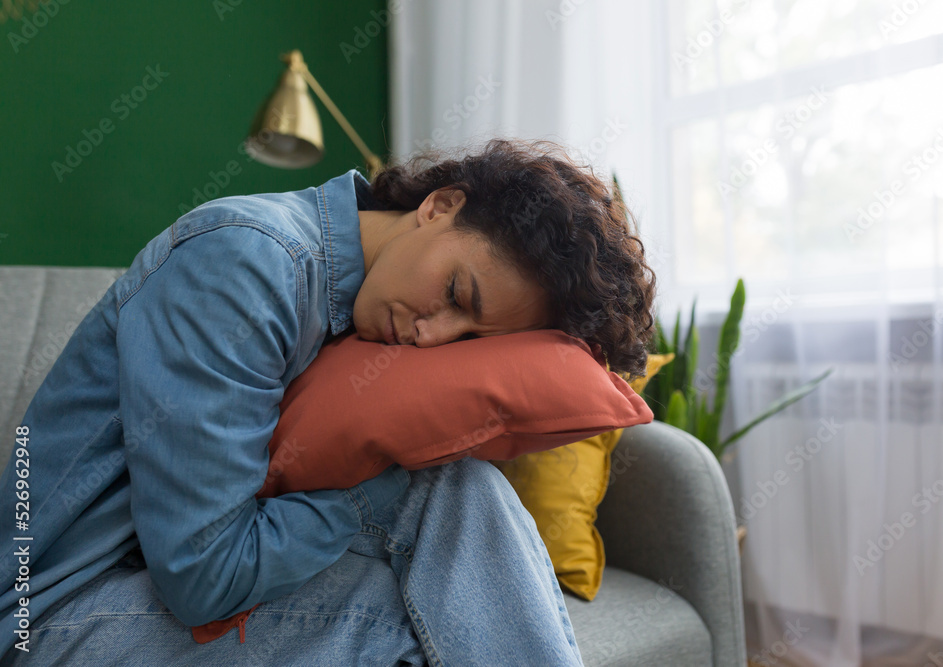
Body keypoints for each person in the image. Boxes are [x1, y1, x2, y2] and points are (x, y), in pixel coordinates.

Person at [0, 137, 656, 664]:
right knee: (431, 620)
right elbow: (204, 579)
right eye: (456, 293)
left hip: (144, 588)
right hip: (51, 618)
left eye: (471, 338)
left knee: (461, 497)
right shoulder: (245, 267)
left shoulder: (357, 309)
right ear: (439, 206)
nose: (433, 336)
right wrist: (383, 488)